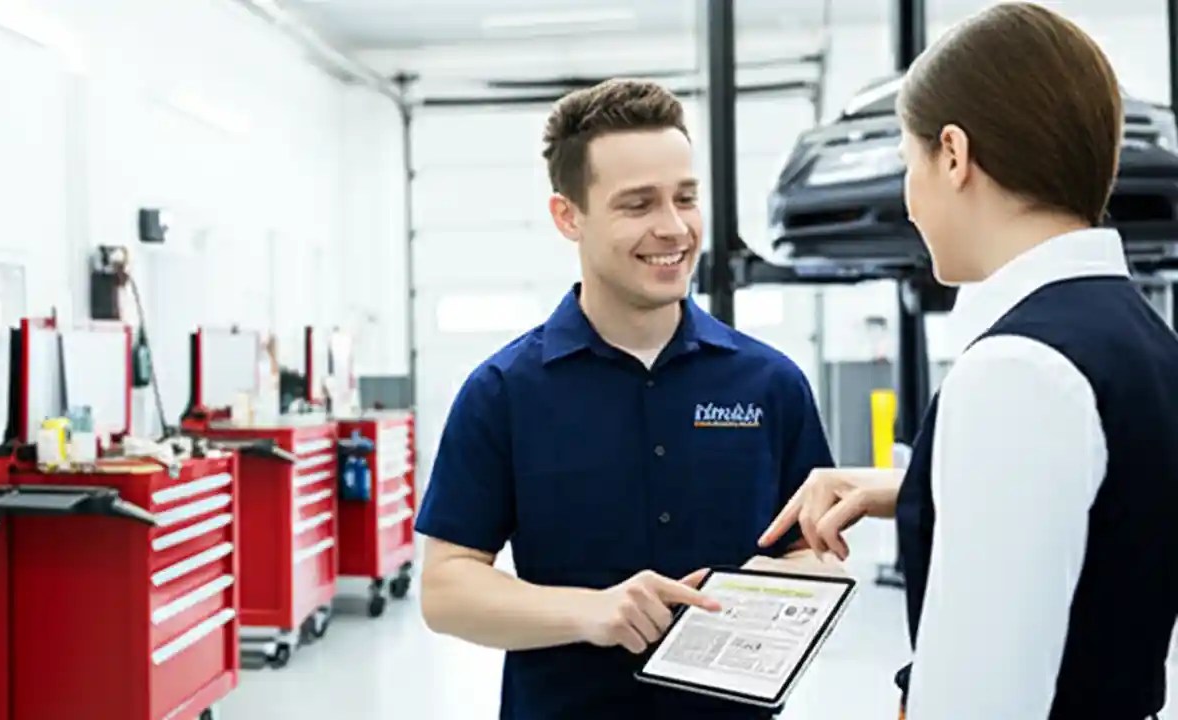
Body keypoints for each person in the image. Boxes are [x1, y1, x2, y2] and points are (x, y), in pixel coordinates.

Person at [757, 4, 1178, 719]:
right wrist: (921, 483)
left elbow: (978, 703)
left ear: (953, 154)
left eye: (906, 162)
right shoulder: (1139, 340)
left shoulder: (1020, 366)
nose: (909, 201)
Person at [414, 78, 835, 718]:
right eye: (638, 204)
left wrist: (773, 597)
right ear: (569, 216)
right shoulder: (503, 392)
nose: (673, 228)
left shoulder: (770, 384)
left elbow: (811, 552)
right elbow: (446, 588)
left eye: (685, 198)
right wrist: (593, 612)